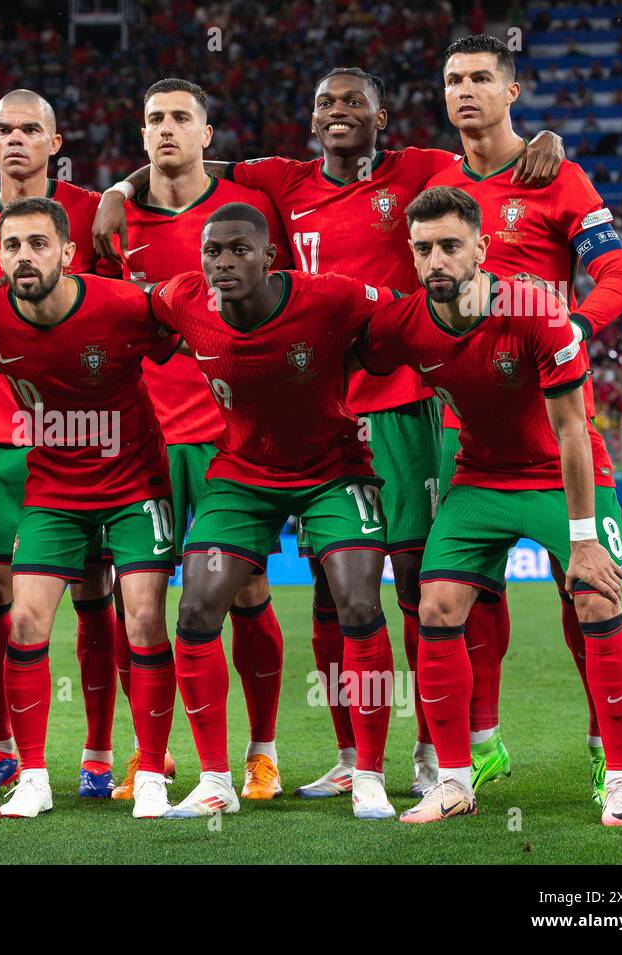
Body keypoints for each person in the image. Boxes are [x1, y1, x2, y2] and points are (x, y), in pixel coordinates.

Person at [92, 67, 564, 800]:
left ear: (383, 117)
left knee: (409, 582)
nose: (338, 113)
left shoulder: (419, 168)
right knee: (325, 588)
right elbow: (188, 156)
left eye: (354, 103)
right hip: (309, 401)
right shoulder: (282, 181)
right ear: (310, 121)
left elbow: (487, 160)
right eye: (325, 104)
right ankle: (347, 751)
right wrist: (120, 189)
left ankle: (432, 752)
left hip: (396, 399)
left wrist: (544, 139)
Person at [358, 185, 622, 827]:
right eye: (424, 248)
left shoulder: (535, 309)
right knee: (435, 607)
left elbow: (572, 429)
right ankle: (455, 780)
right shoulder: (406, 323)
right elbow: (346, 350)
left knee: (596, 599)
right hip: (481, 479)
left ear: (482, 249)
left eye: (451, 246)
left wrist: (583, 540)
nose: (437, 260)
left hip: (564, 476)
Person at [427, 35, 622, 803]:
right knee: (464, 596)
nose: (466, 91)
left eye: (483, 77)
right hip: (467, 431)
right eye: (454, 79)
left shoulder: (558, 174)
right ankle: (478, 747)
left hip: (556, 419)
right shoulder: (430, 176)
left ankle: (603, 747)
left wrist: (575, 326)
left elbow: (619, 275)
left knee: (582, 593)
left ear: (513, 90)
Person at [149, 203, 399, 819]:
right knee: (197, 606)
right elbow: (115, 306)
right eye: (212, 252)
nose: (223, 263)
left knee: (360, 604)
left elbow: (401, 314)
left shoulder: (330, 297)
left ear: (270, 257)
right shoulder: (184, 300)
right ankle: (214, 781)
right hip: (242, 473)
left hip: (332, 470)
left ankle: (368, 774)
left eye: (238, 250)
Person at [0, 197, 183, 820]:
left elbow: (185, 333)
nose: (23, 257)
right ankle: (33, 777)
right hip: (54, 488)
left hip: (136, 484)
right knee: (24, 624)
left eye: (36, 243)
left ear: (67, 252)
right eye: (11, 246)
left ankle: (151, 771)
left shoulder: (124, 305)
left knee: (142, 622)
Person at [96, 78, 291, 801]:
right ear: (141, 136)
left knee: (245, 594)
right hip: (140, 438)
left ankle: (262, 751)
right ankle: (153, 754)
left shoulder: (247, 210)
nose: (167, 128)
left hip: (226, 439)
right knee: (134, 601)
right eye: (154, 119)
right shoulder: (113, 222)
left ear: (208, 133)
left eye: (182, 117)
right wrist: (118, 187)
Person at [0, 88, 124, 797]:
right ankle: (1, 742)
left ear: (54, 141)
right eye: (1, 130)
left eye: (29, 130)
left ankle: (100, 751)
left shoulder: (94, 208)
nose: (14, 140)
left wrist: (122, 184)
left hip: (78, 435)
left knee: (94, 585)